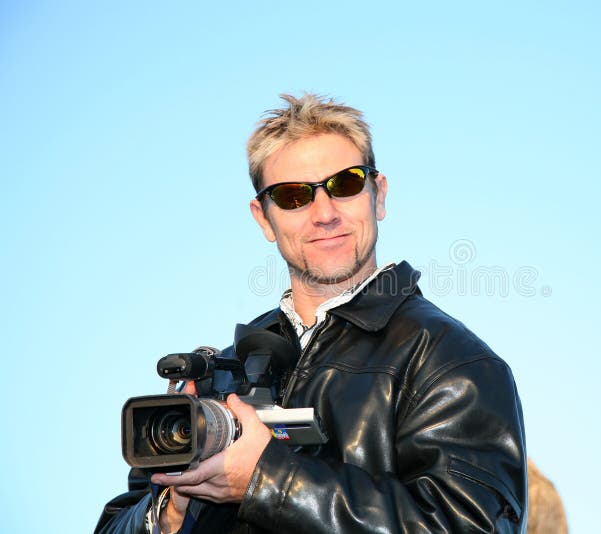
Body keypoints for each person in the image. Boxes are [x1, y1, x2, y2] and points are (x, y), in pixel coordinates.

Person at [96, 93, 528, 533]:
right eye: (293, 196)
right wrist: (171, 511)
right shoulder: (217, 376)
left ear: (377, 196)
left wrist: (265, 481)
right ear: (263, 219)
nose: (324, 214)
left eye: (345, 184)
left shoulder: (452, 361)